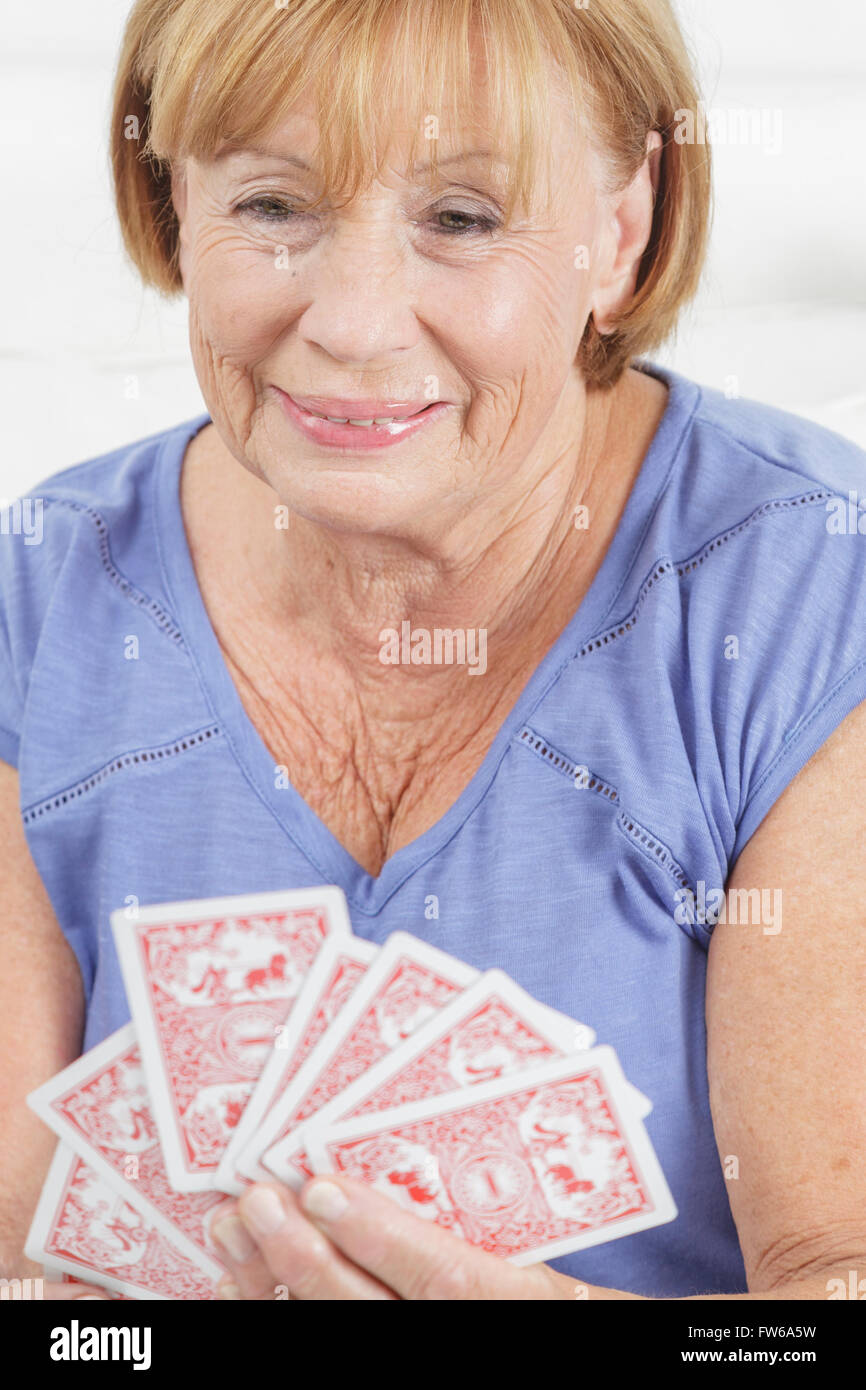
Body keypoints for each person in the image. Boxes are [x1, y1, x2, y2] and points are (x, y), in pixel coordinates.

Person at [2, 0, 865, 1301]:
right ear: (173, 200)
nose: (352, 322)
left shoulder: (805, 591)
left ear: (620, 231)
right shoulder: (41, 596)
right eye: (274, 207)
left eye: (460, 220)